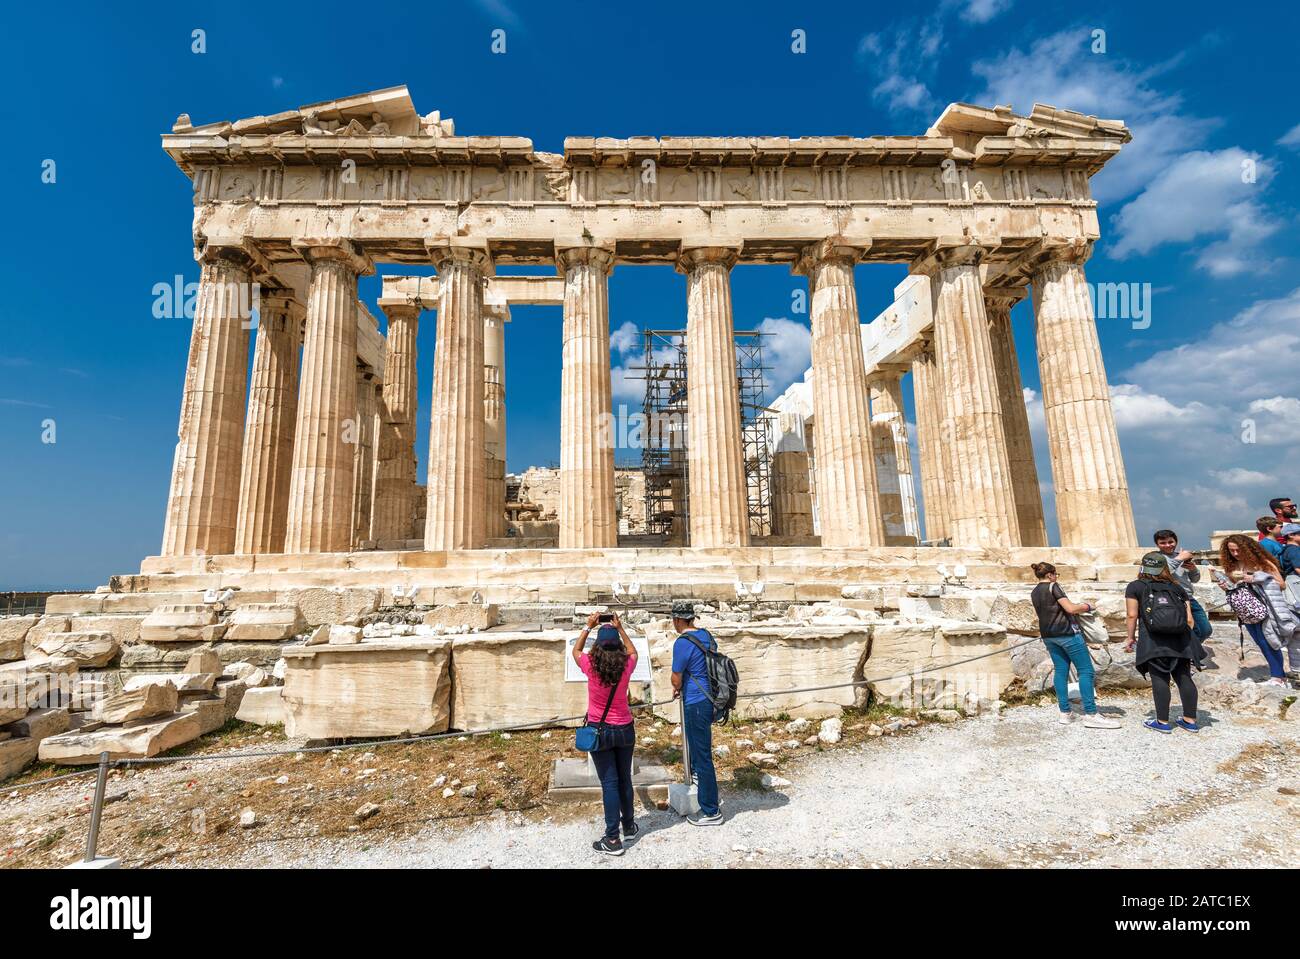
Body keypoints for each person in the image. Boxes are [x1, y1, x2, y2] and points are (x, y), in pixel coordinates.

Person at [572, 610, 639, 855]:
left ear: (598, 645)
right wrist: (621, 628)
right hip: (625, 729)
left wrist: (588, 626)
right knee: (625, 780)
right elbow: (633, 652)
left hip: (600, 730)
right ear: (617, 644)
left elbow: (576, 652)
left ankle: (612, 839)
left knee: (609, 783)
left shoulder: (590, 665)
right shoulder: (626, 664)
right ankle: (629, 825)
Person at [1028, 563, 1120, 728]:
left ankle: (1065, 712)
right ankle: (1091, 714)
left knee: (1061, 671)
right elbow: (1070, 608)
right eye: (1056, 574)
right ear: (1050, 575)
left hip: (1049, 636)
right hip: (1067, 634)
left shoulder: (1034, 591)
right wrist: (1087, 606)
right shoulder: (1053, 586)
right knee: (1086, 671)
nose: (1056, 577)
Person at [1125, 552, 1201, 733]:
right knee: (1184, 677)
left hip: (1153, 639)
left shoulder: (1135, 586)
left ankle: (1162, 722)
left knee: (1160, 678)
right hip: (1180, 639)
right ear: (1165, 568)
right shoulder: (1176, 587)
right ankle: (1190, 720)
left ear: (1143, 567)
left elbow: (1131, 614)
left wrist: (1130, 637)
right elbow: (1190, 620)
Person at [670, 600, 724, 826]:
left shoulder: (682, 643)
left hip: (695, 701)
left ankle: (711, 811)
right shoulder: (706, 635)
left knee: (702, 755)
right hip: (710, 699)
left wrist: (675, 686)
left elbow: (676, 676)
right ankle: (697, 779)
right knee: (697, 747)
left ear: (678, 620)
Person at [1214, 534, 1291, 686]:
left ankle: (1278, 677)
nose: (1235, 554)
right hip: (1246, 610)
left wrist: (1254, 578)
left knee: (1268, 640)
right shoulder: (1233, 566)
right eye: (1231, 551)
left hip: (1264, 606)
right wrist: (1226, 586)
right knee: (1260, 642)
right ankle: (1278, 676)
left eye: (1238, 550)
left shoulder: (1263, 563)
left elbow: (1281, 584)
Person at [1153, 529, 1211, 641]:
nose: (1168, 545)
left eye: (1170, 542)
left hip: (1188, 597)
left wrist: (1193, 569)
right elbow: (1161, 574)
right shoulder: (1156, 558)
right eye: (1163, 543)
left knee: (1205, 630)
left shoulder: (1182, 556)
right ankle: (1190, 654)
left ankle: (1193, 651)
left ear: (1176, 541)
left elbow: (1195, 579)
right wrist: (1179, 559)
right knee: (1186, 629)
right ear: (1157, 544)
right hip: (1171, 599)